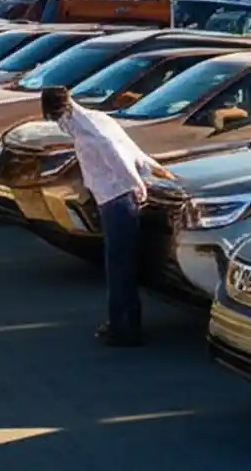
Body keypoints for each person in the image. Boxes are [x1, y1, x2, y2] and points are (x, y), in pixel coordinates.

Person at [41, 87, 174, 347]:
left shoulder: (91, 135)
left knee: (118, 266)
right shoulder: (99, 119)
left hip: (116, 201)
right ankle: (124, 323)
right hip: (115, 199)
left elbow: (116, 156)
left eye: (56, 120)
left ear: (61, 113)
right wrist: (156, 170)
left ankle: (123, 328)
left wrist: (137, 186)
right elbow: (131, 150)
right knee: (122, 264)